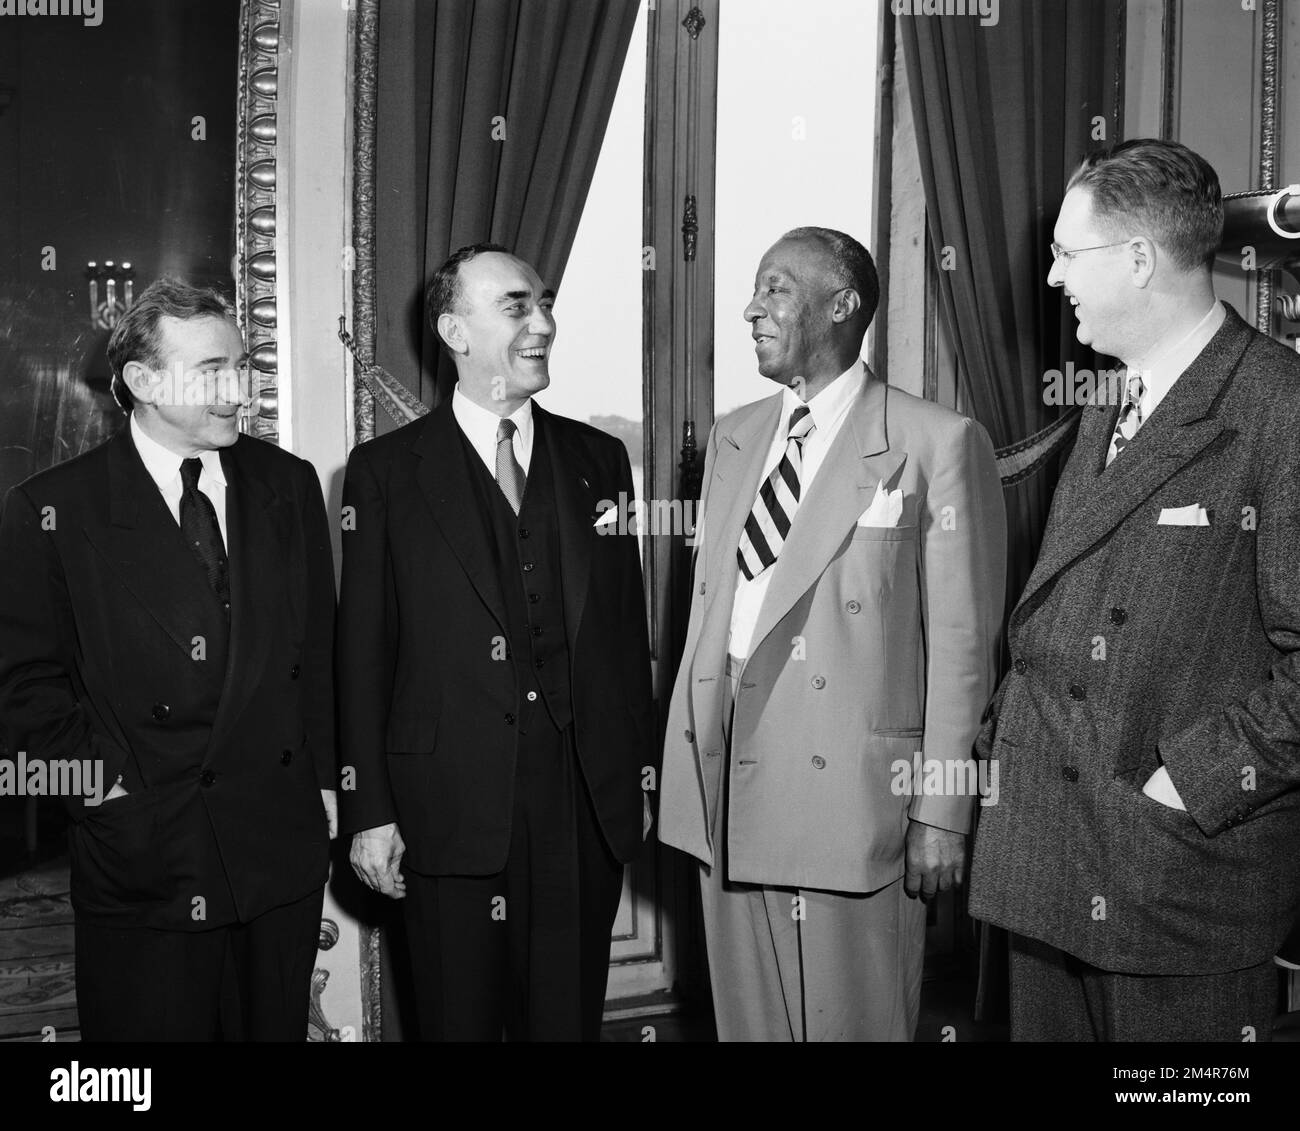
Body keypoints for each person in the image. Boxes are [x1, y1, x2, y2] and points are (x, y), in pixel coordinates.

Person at [968, 138, 1300, 1042]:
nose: (1051, 276)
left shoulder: (1279, 406)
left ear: (1141, 259)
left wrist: (1183, 786)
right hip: (1044, 859)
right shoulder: (1111, 401)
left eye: (1068, 254)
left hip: (1171, 883)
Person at [658, 227, 1006, 1040]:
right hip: (726, 792)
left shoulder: (936, 442)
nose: (751, 308)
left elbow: (965, 651)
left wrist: (944, 812)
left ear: (843, 305)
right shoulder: (734, 436)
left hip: (853, 808)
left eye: (775, 288)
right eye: (755, 288)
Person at [0, 278, 337, 1040]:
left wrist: (325, 782)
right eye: (213, 371)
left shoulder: (288, 484)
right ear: (142, 382)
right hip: (146, 863)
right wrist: (109, 799)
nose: (238, 391)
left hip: (277, 860)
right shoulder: (52, 509)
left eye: (241, 367)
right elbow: (24, 698)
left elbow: (318, 653)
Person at [337, 243, 655, 1042]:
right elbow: (363, 653)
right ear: (454, 329)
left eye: (545, 304)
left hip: (582, 805)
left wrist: (640, 776)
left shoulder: (600, 459)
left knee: (566, 1022)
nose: (543, 323)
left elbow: (623, 637)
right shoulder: (382, 474)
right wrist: (370, 810)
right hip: (444, 810)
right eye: (517, 306)